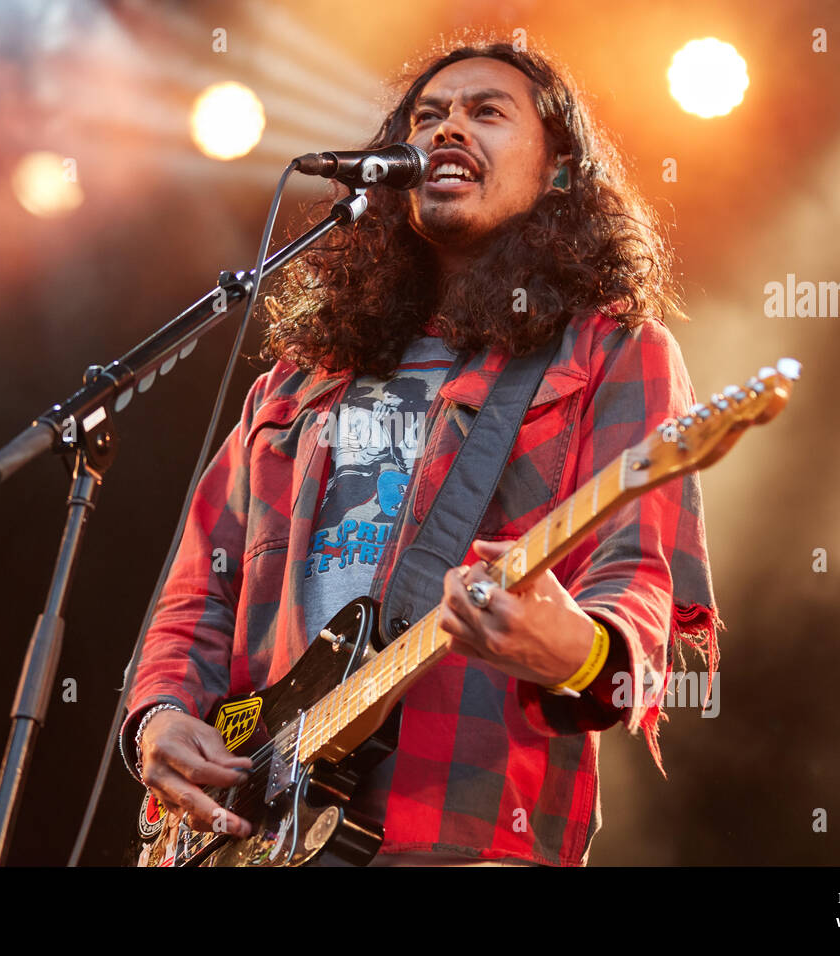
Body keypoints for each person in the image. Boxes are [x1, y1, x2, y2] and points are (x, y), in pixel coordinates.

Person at [119, 37, 721, 867]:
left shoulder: (614, 352)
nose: (447, 130)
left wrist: (581, 651)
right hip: (255, 828)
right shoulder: (298, 381)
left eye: (486, 113)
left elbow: (639, 576)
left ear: (559, 171)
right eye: (428, 116)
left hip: (468, 832)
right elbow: (199, 588)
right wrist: (159, 717)